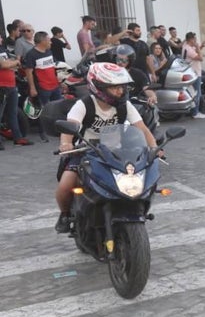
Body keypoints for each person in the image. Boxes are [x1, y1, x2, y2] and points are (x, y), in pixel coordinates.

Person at [55, 62, 158, 232]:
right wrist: (66, 143)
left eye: (122, 87)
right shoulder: (84, 105)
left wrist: (154, 147)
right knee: (66, 184)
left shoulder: (125, 105)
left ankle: (133, 208)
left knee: (139, 178)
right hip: (85, 151)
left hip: (116, 151)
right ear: (98, 87)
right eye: (114, 87)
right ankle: (65, 214)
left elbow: (142, 128)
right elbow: (70, 126)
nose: (120, 91)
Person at [21, 31, 62, 107]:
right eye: (49, 40)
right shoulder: (31, 54)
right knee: (45, 109)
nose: (51, 42)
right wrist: (32, 88)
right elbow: (28, 72)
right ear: (43, 41)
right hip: (43, 88)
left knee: (59, 107)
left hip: (55, 86)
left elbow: (54, 67)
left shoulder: (49, 52)